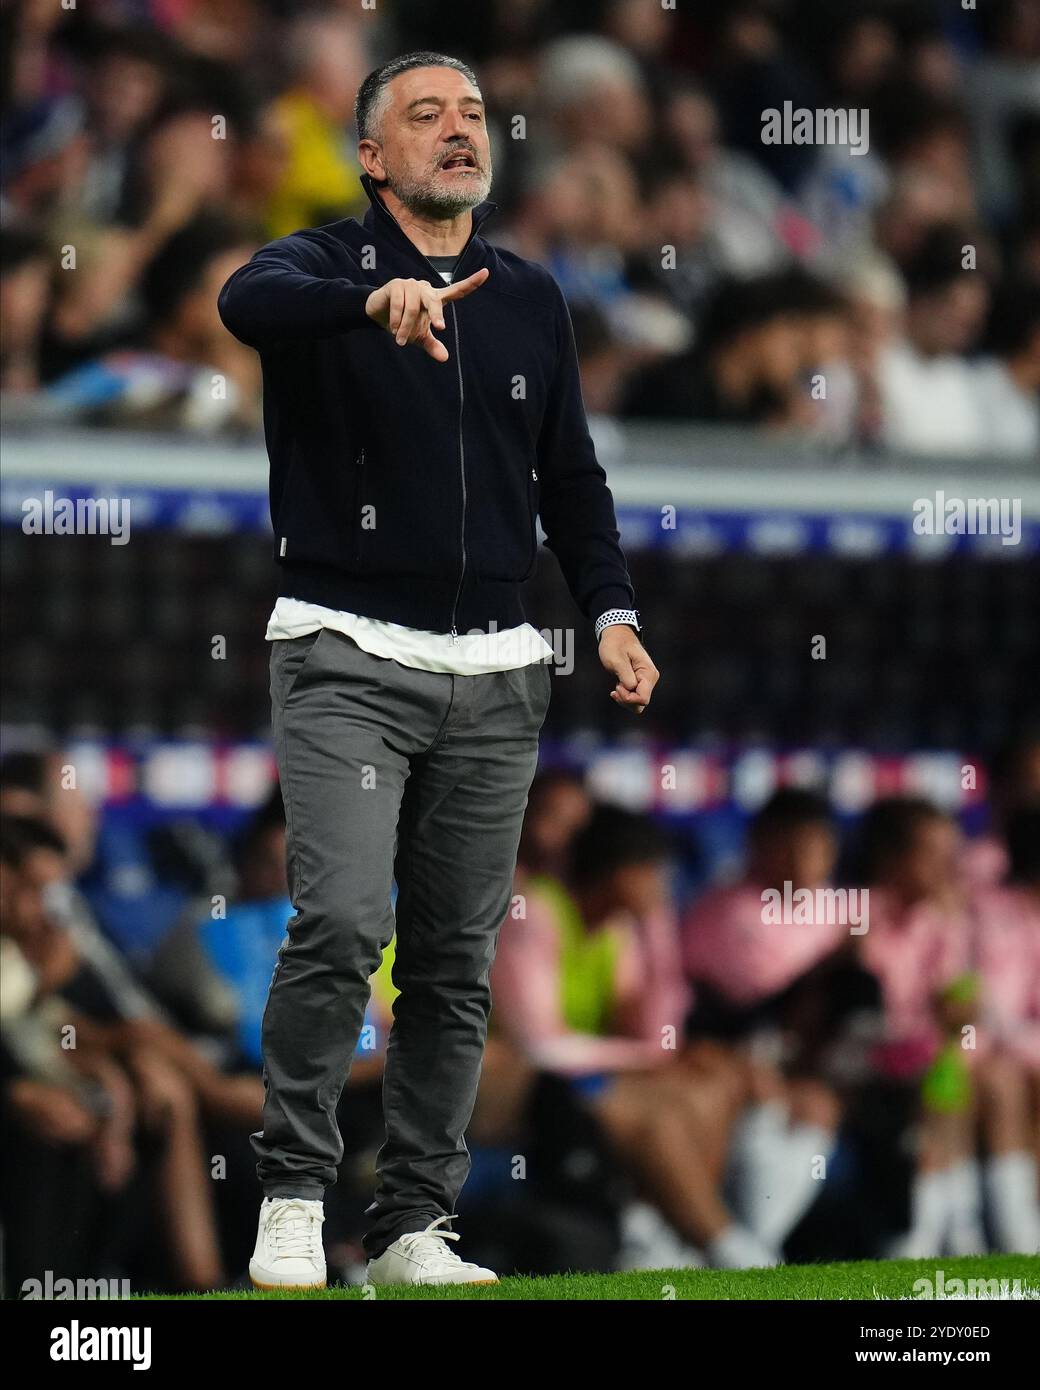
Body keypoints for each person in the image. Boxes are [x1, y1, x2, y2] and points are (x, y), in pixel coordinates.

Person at [217, 51, 659, 1289]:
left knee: (457, 962)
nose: (458, 131)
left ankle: (413, 1222)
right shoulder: (314, 268)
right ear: (370, 155)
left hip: (500, 665)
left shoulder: (527, 297)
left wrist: (611, 610)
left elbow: (571, 479)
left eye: (470, 113)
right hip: (347, 649)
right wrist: (373, 302)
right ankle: (295, 1190)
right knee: (345, 922)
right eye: (425, 116)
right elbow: (242, 304)